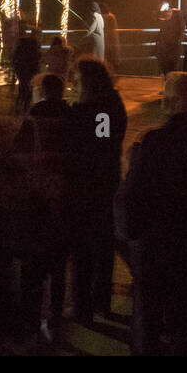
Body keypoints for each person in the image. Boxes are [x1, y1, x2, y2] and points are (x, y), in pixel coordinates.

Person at [116, 71, 187, 355]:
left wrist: (130, 231)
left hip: (154, 239)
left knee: (148, 310)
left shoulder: (151, 141)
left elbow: (135, 191)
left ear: (170, 102)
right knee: (185, 312)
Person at [12, 74, 81, 346]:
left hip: (37, 201)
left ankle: (30, 320)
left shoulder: (34, 117)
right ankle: (53, 319)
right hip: (64, 200)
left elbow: (18, 153)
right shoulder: (72, 117)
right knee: (58, 265)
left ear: (42, 92)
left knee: (33, 266)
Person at [71, 58, 128, 326]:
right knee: (102, 246)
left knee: (86, 247)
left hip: (91, 186)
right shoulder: (111, 105)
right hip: (104, 183)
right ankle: (99, 302)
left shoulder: (98, 110)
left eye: (79, 81)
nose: (75, 85)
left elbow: (100, 142)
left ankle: (85, 305)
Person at [12, 23, 42, 115]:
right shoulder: (35, 44)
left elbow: (15, 56)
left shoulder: (21, 43)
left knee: (22, 87)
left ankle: (18, 107)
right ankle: (25, 108)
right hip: (30, 68)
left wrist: (15, 68)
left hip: (21, 68)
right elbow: (37, 57)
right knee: (29, 88)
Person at [156, 8, 185, 76]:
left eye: (171, 12)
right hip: (173, 50)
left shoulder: (168, 24)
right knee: (173, 68)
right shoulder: (180, 25)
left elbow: (162, 36)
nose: (169, 13)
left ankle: (167, 80)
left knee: (167, 67)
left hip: (167, 51)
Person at [103, 6, 122, 71]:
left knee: (109, 55)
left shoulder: (108, 17)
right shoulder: (110, 16)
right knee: (111, 55)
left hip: (108, 39)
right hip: (109, 39)